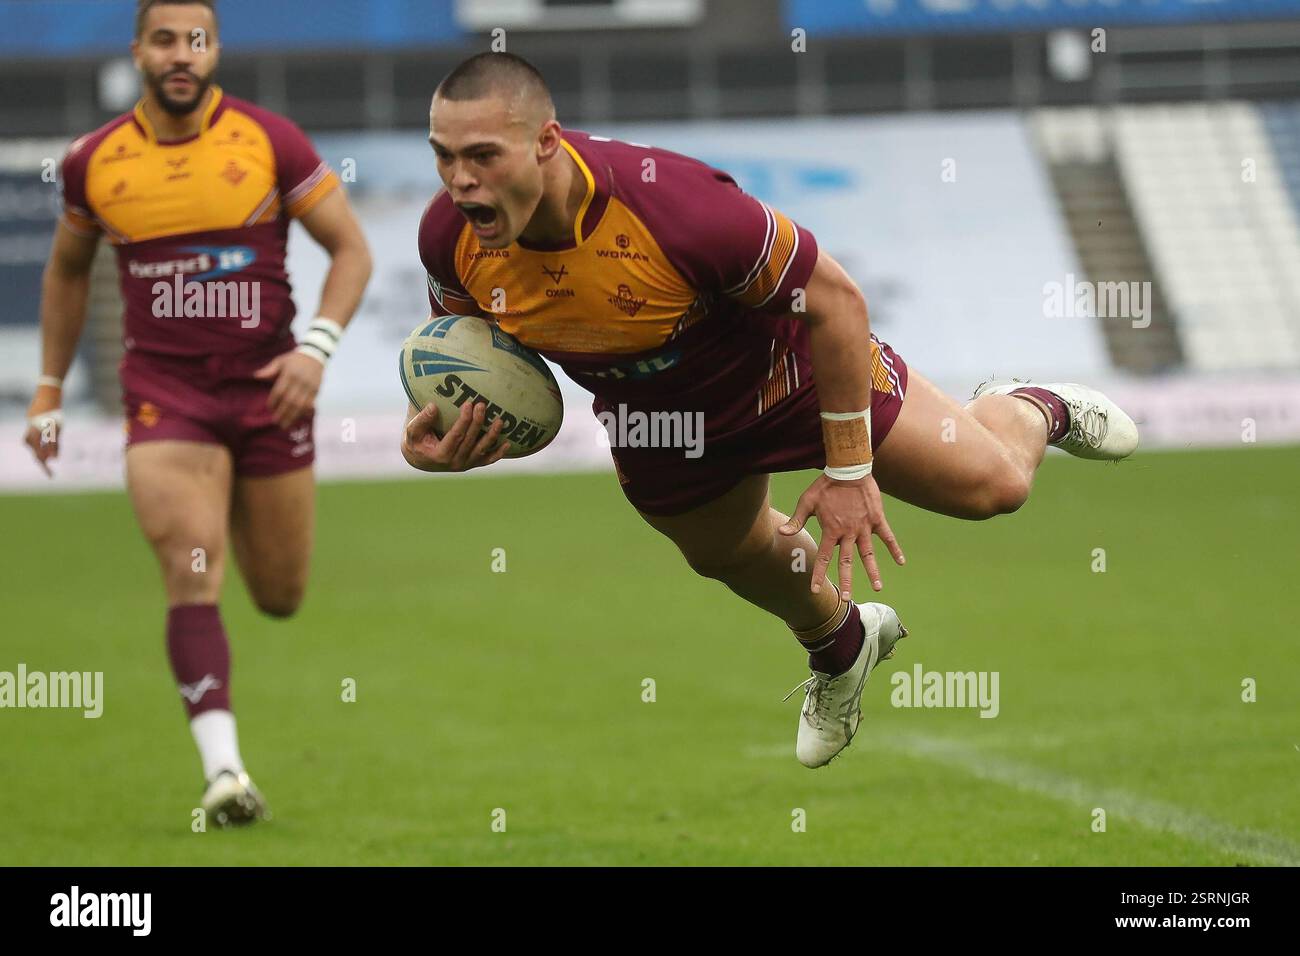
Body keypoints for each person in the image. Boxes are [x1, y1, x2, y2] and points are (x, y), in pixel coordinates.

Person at [402, 52, 1137, 768]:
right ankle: (842, 645)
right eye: (444, 157)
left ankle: (1030, 406)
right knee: (726, 553)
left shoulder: (676, 210)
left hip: (791, 376)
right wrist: (445, 430)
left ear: (546, 143)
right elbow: (481, 356)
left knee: (996, 489)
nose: (461, 183)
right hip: (658, 420)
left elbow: (838, 302)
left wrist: (849, 471)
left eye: (483, 156)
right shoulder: (449, 239)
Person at [23, 0, 373, 820]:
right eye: (165, 40)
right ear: (139, 53)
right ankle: (225, 773)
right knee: (191, 570)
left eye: (198, 40)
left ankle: (229, 738)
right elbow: (67, 273)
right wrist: (47, 390)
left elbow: (351, 251)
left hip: (271, 391)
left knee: (280, 594)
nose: (182, 54)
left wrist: (316, 348)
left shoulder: (269, 141)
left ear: (215, 53)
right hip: (166, 400)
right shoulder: (94, 162)